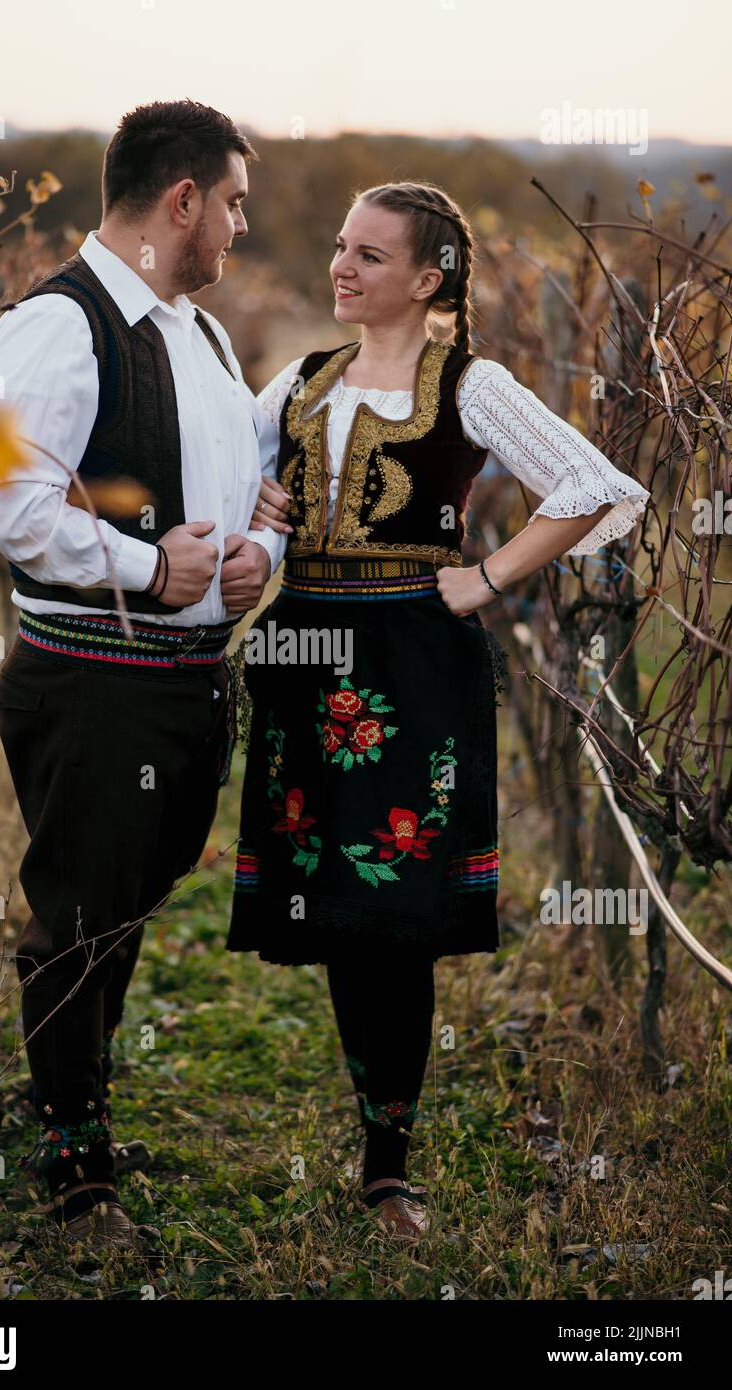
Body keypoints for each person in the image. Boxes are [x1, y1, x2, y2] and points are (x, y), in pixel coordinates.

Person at [228, 180, 650, 1237]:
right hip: (304, 661)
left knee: (400, 912)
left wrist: (490, 575)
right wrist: (263, 501)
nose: (343, 266)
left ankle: (388, 1164)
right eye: (339, 246)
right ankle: (376, 1129)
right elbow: (228, 492)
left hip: (414, 668)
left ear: (428, 279)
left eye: (370, 255)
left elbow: (592, 484)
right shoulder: (298, 383)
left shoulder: (472, 385)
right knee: (333, 908)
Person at [0, 100, 287, 1247]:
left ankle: (76, 1101)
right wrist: (152, 569)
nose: (240, 229)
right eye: (234, 203)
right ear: (182, 200)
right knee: (78, 920)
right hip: (94, 676)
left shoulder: (197, 333)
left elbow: (251, 487)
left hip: (184, 680)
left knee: (125, 909)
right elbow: (2, 500)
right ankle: (73, 1173)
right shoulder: (59, 326)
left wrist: (258, 550)